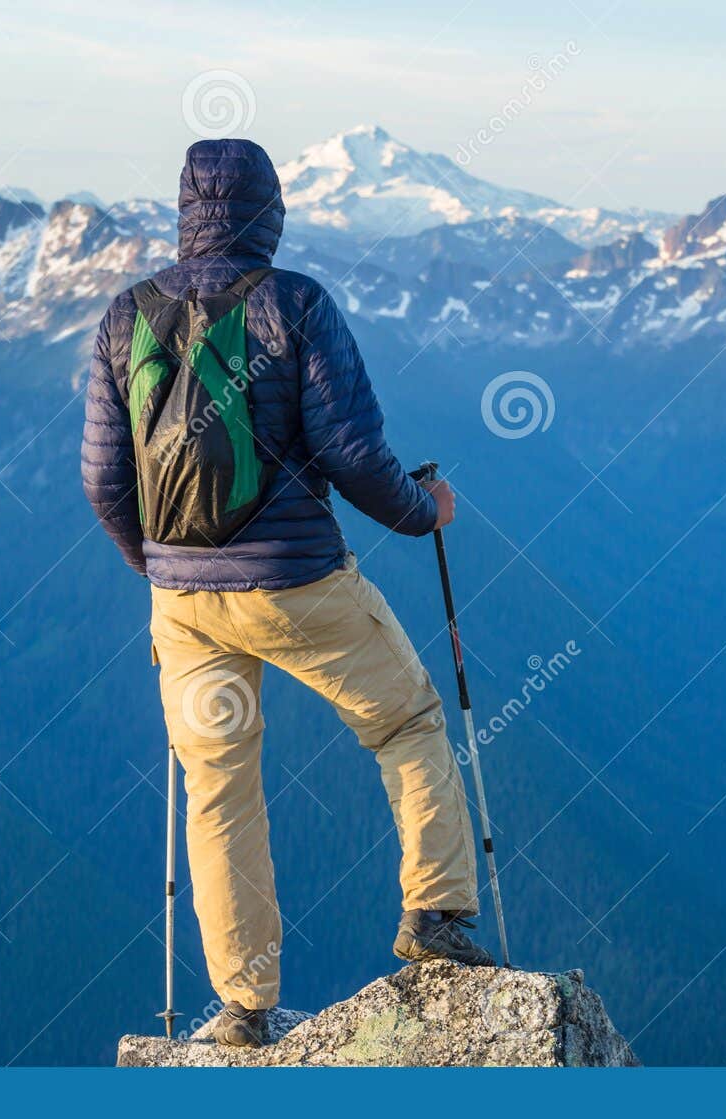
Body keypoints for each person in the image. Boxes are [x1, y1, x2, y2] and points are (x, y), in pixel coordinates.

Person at [82, 138, 492, 1048]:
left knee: (218, 790)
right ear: (269, 211)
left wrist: (155, 566)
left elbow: (105, 482)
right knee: (407, 722)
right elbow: (352, 456)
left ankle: (244, 1007)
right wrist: (426, 511)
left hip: (183, 607)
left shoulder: (126, 315)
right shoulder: (297, 304)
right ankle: (436, 912)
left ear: (185, 209)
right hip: (298, 582)